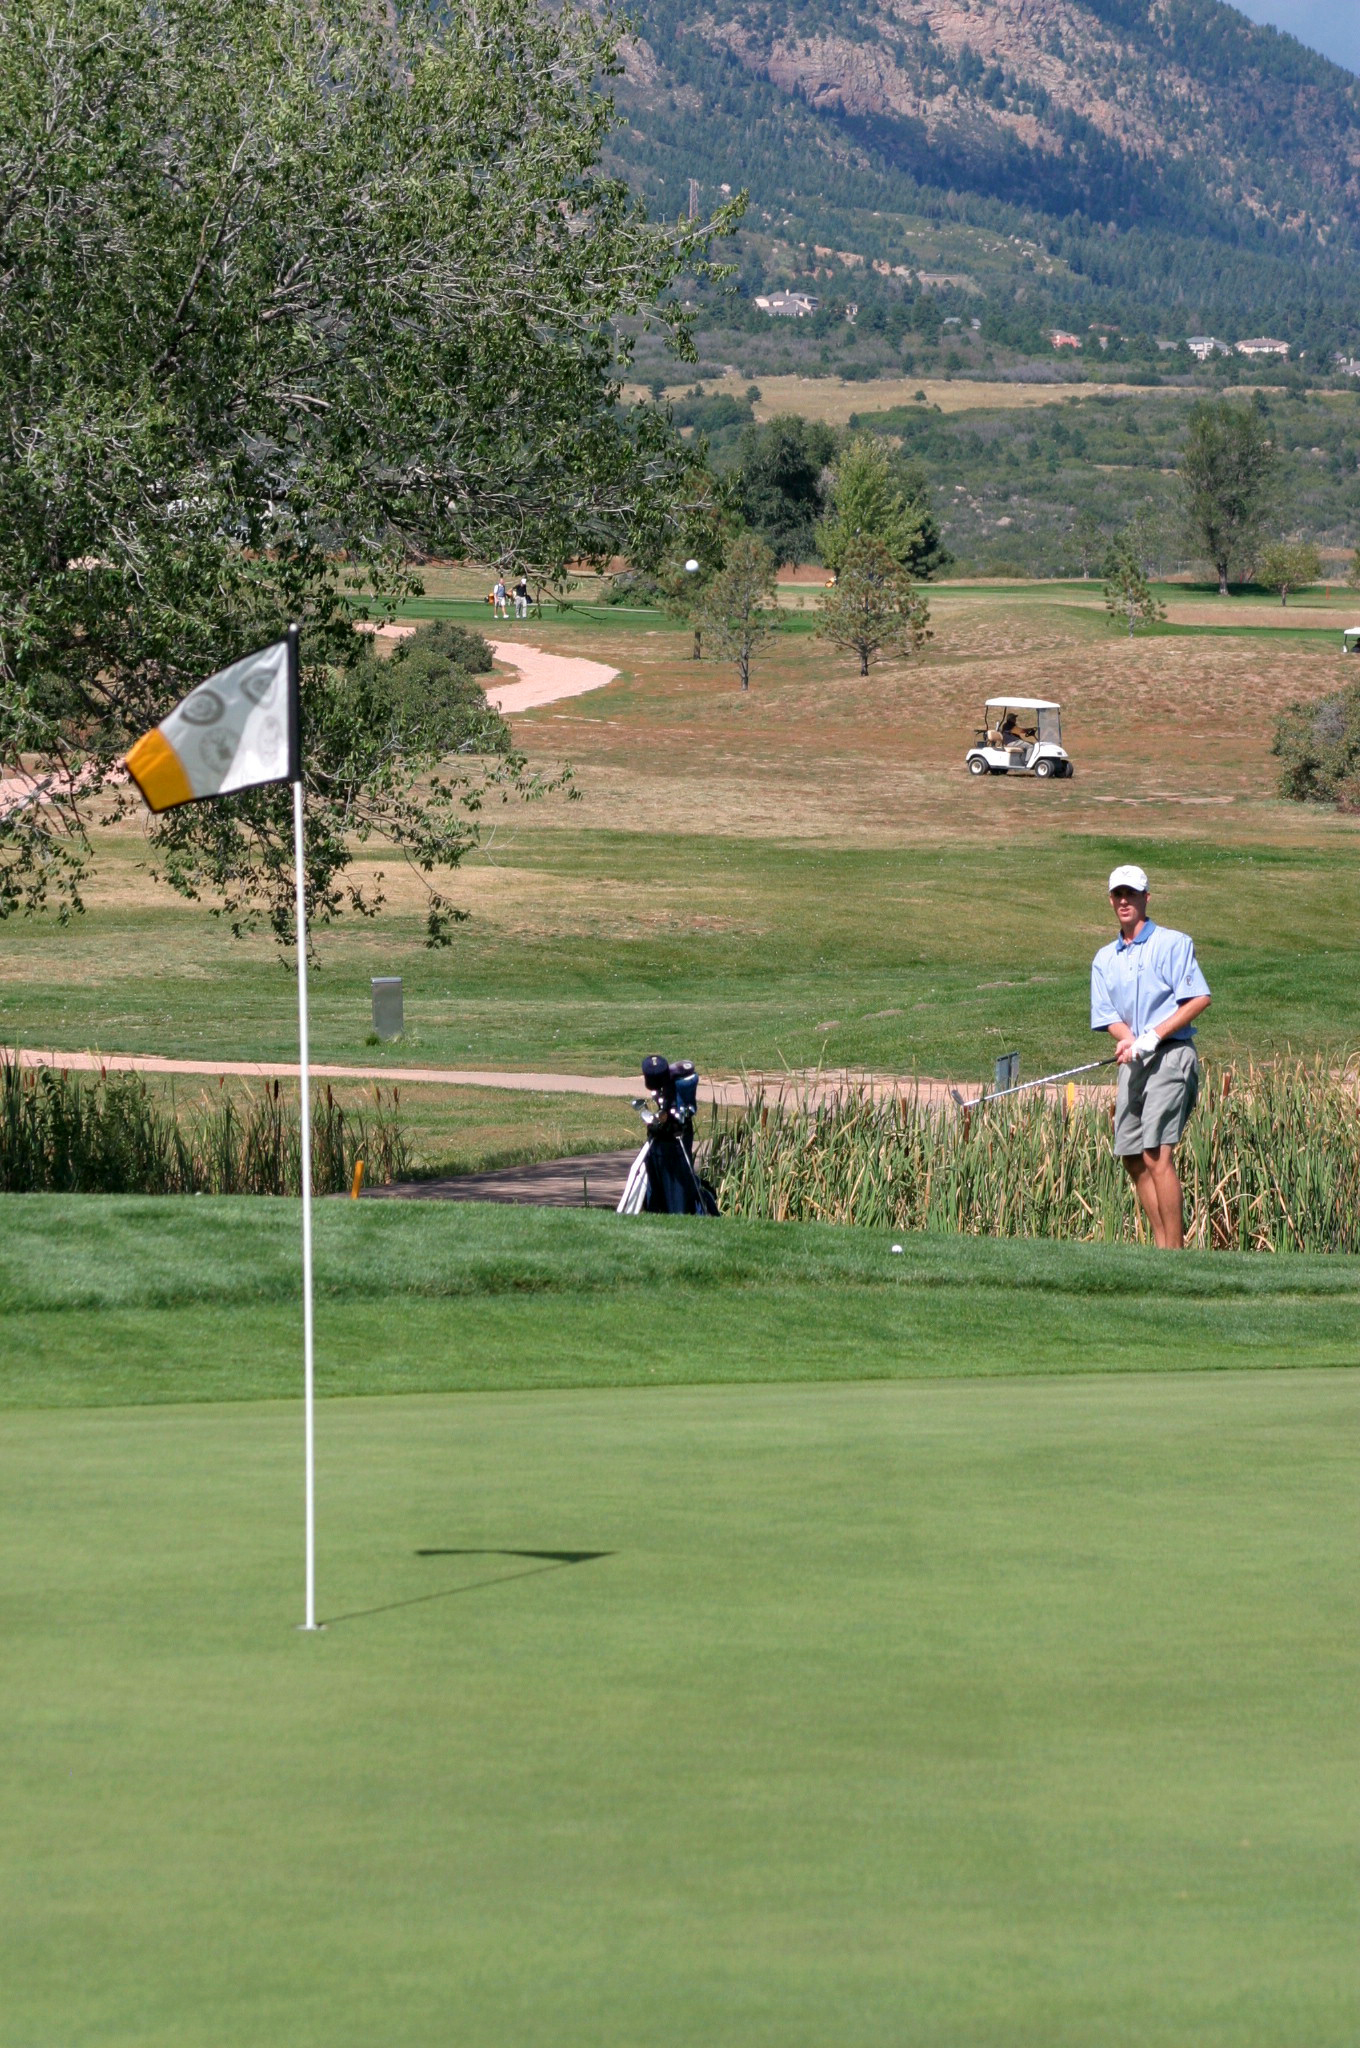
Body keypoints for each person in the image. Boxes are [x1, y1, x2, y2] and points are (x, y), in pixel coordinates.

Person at [1090, 863, 1211, 1249]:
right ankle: (1161, 1248)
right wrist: (1129, 1040)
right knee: (1130, 1154)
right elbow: (1108, 1014)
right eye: (1118, 895)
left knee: (1156, 1152)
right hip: (1136, 1060)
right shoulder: (1104, 959)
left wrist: (1154, 1035)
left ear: (1146, 898)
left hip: (1172, 1055)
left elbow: (1199, 998)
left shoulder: (1173, 943)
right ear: (1111, 900)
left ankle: (1174, 1253)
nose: (1124, 901)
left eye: (1132, 894)